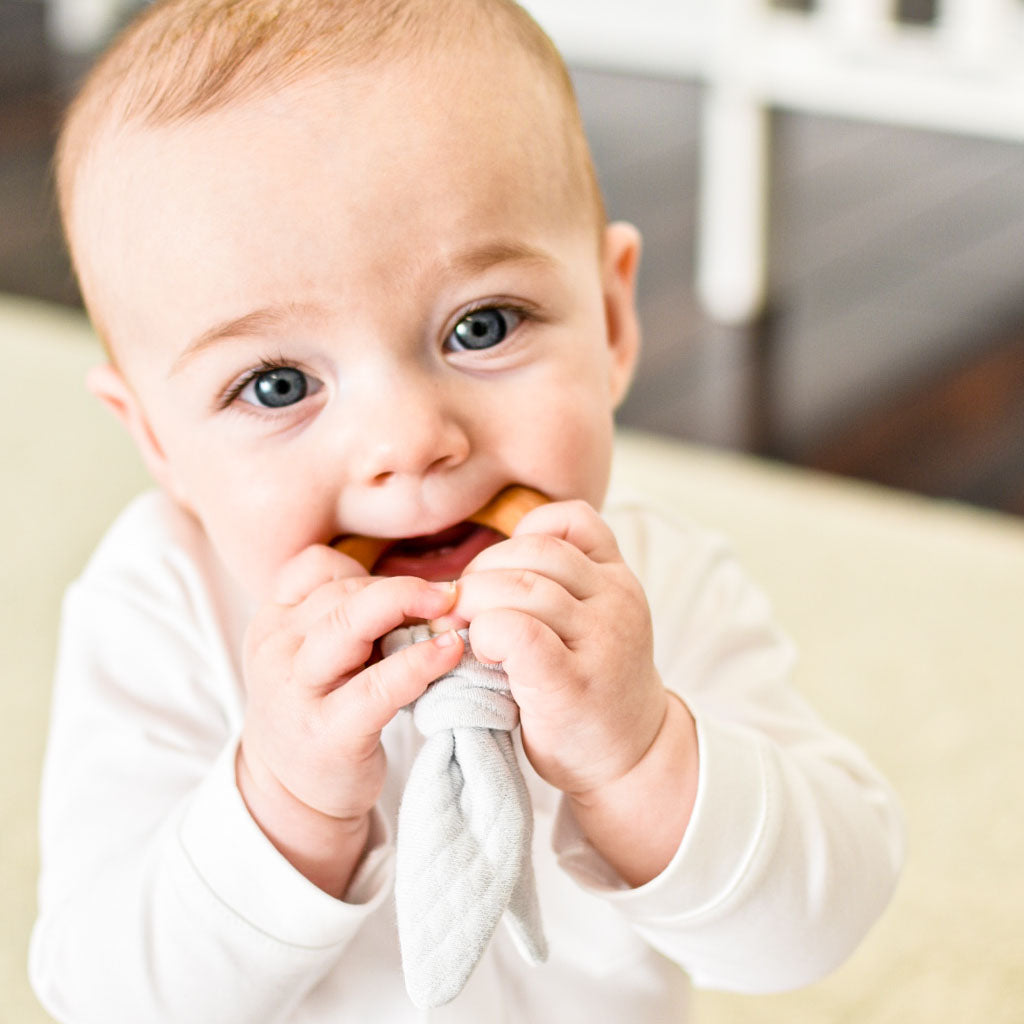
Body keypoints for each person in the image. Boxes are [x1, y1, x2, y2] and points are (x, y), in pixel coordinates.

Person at [30, 0, 904, 1020]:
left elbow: (817, 925)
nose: (409, 441)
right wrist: (285, 803)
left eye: (480, 325)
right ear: (156, 439)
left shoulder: (648, 584)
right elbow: (103, 992)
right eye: (274, 384)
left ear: (613, 319)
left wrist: (639, 756)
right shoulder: (158, 607)